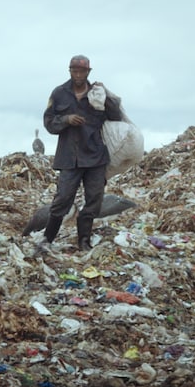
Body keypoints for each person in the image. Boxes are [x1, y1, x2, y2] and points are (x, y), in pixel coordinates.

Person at [41, 54, 124, 251]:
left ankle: (84, 241)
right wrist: (66, 120)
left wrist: (107, 97)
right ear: (69, 71)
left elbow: (115, 116)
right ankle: (47, 239)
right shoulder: (59, 93)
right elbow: (48, 123)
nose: (78, 74)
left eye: (82, 71)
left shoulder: (97, 93)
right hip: (69, 157)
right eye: (74, 70)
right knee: (62, 199)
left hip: (95, 156)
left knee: (94, 200)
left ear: (88, 72)